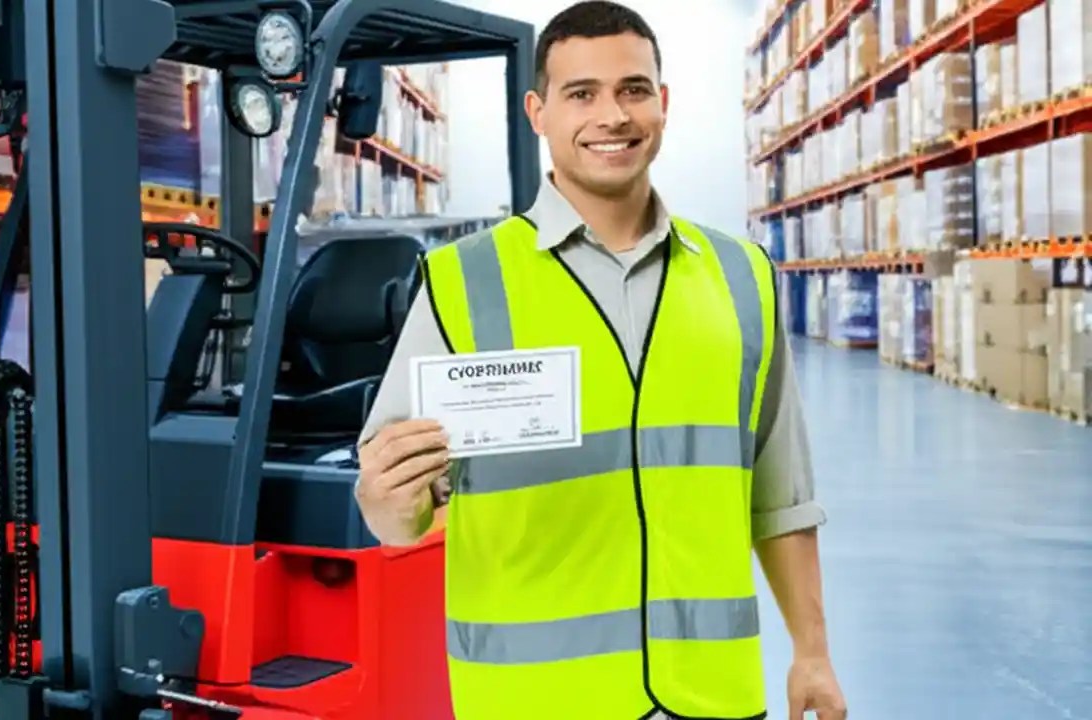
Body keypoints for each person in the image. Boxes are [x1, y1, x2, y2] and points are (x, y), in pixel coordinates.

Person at [354, 2, 846, 718]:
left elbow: (781, 493)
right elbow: (397, 512)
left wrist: (813, 651)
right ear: (539, 113)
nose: (612, 116)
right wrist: (387, 502)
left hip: (709, 695)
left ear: (663, 102)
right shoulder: (463, 283)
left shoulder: (743, 278)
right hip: (532, 698)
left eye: (633, 90)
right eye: (581, 94)